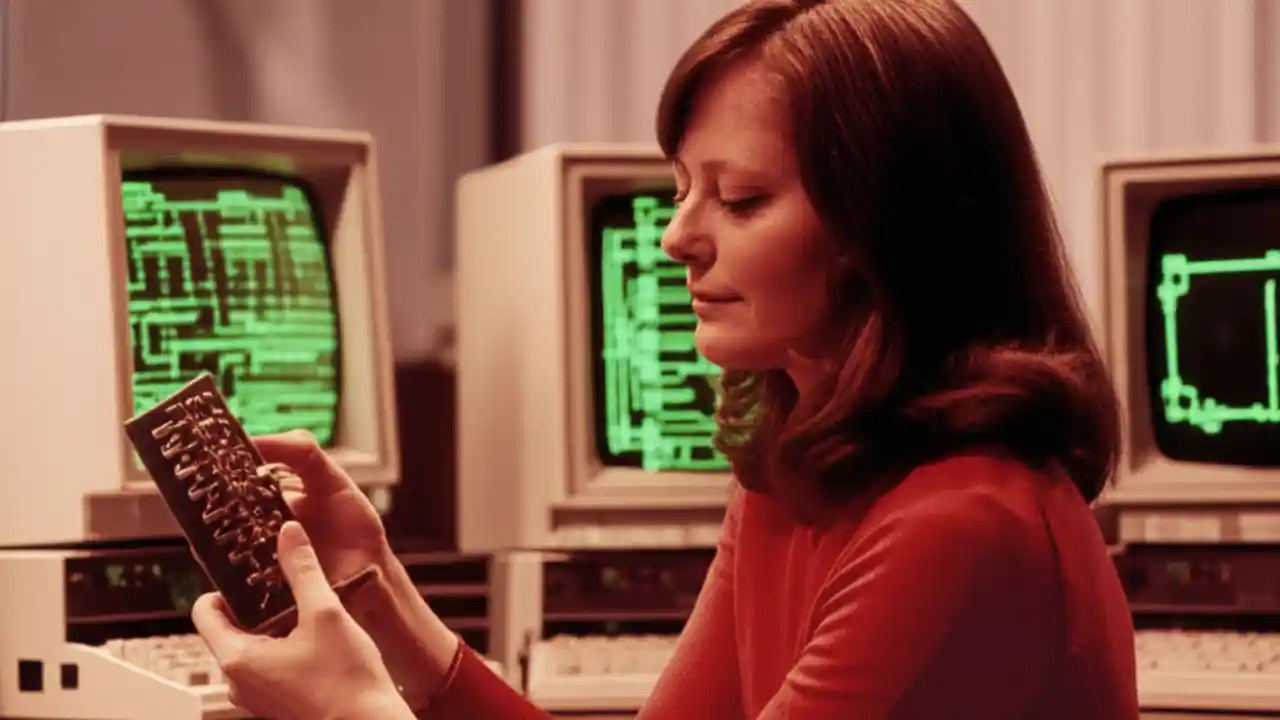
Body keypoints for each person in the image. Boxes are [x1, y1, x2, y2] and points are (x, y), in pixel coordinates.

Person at [191, 0, 1141, 717]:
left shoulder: (961, 521)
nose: (677, 238)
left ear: (886, 229)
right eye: (683, 190)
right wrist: (381, 595)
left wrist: (355, 711)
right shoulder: (792, 468)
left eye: (740, 200)